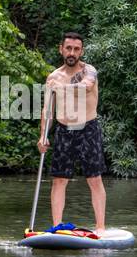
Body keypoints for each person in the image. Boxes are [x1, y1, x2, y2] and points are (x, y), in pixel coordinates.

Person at [38, 32, 107, 232]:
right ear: (61, 49)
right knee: (59, 180)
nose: (72, 52)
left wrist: (61, 87)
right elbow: (47, 110)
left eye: (76, 49)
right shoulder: (53, 77)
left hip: (88, 128)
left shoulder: (89, 71)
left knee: (94, 178)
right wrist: (43, 136)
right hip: (63, 129)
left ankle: (100, 227)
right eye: (68, 48)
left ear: (81, 51)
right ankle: (56, 226)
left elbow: (86, 87)